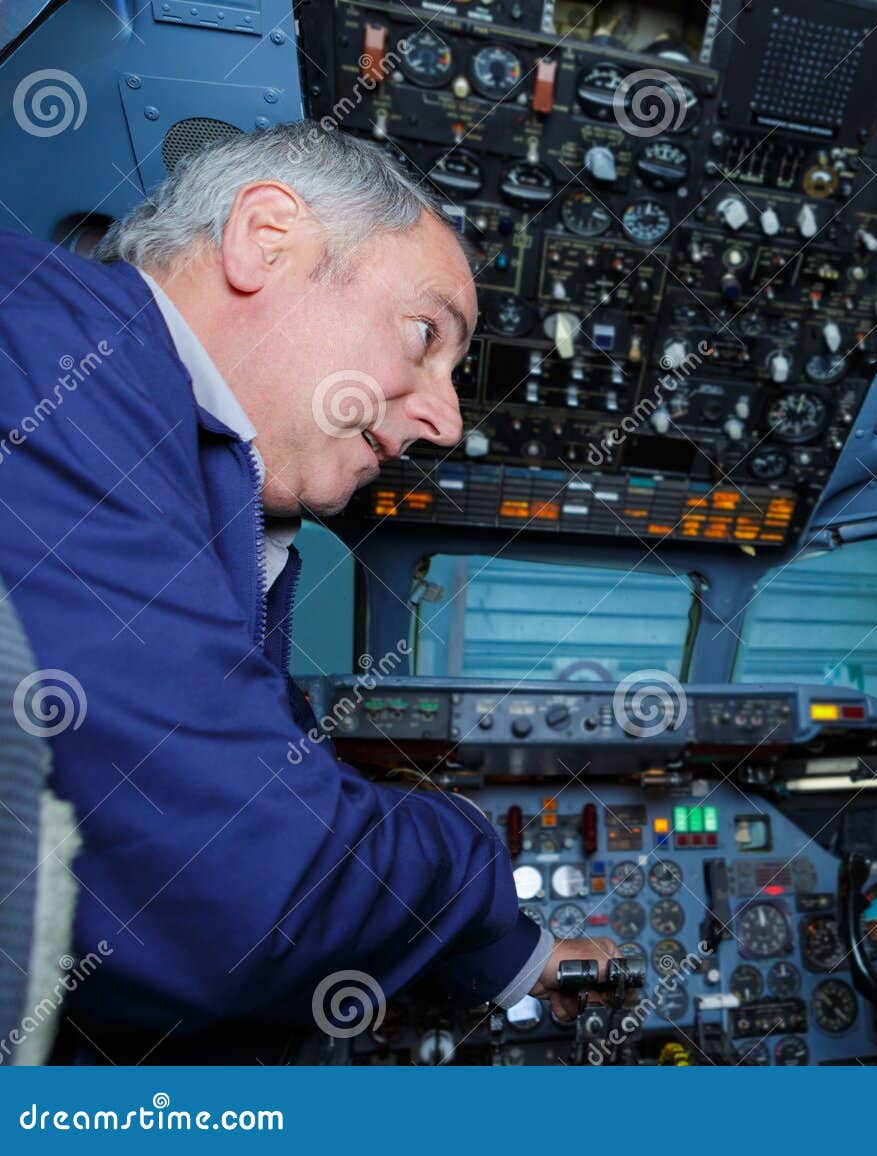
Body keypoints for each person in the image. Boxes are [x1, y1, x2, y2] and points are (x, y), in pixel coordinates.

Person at [0, 123, 617, 1061]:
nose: (448, 420)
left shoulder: (196, 481)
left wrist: (515, 954)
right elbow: (237, 890)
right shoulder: (46, 346)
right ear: (266, 240)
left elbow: (236, 785)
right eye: (425, 335)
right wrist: (469, 846)